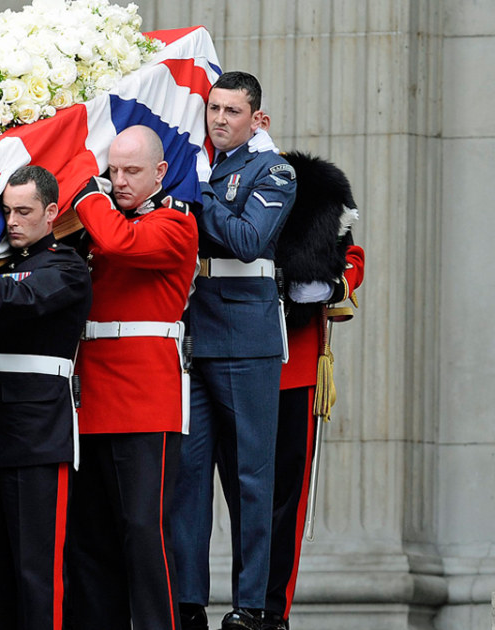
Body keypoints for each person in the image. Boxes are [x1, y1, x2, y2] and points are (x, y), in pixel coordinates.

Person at [171, 71, 298, 630]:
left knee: (250, 477)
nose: (220, 119)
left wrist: (198, 190)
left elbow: (248, 241)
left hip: (246, 336)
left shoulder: (272, 170)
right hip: (194, 332)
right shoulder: (199, 162)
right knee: (189, 474)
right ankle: (188, 601)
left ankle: (250, 605)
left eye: (232, 111)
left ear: (255, 118)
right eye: (214, 108)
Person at [63, 126, 198, 630]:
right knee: (91, 538)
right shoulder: (99, 223)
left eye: (131, 171)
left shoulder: (176, 222)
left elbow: (120, 244)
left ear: (160, 172)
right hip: (92, 395)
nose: (118, 181)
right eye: (113, 170)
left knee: (144, 530)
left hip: (145, 398)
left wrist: (85, 189)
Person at [0, 165, 92, 630]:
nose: (12, 221)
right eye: (6, 211)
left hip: (36, 435)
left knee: (37, 572)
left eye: (24, 211)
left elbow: (20, 299)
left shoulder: (66, 265)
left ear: (51, 212)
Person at [247, 121, 366, 630]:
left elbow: (348, 254)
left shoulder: (310, 185)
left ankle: (271, 608)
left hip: (292, 366)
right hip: (227, 356)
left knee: (284, 500)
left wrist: (331, 282)